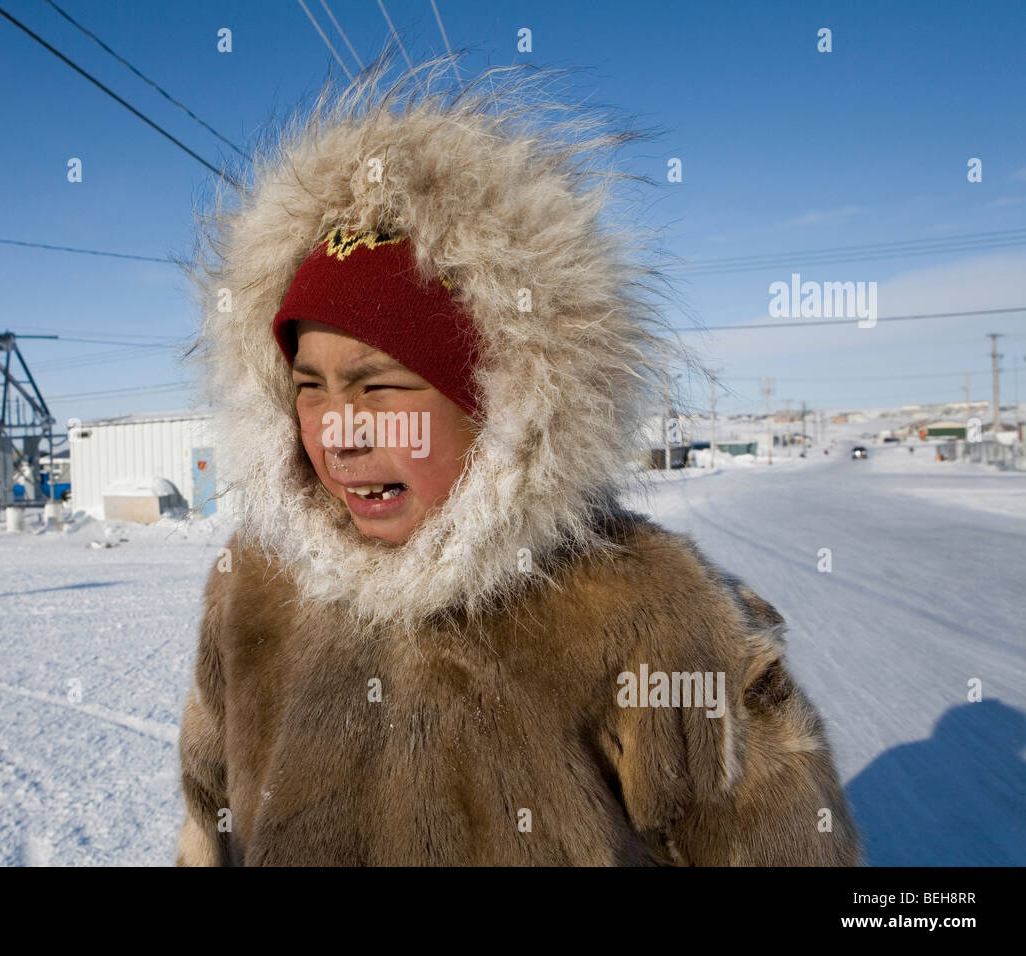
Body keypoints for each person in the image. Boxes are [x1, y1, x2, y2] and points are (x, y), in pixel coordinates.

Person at [175, 53, 860, 866]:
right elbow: (210, 813)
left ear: (499, 405)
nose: (336, 432)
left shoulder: (648, 612)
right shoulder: (255, 587)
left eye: (380, 386)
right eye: (310, 387)